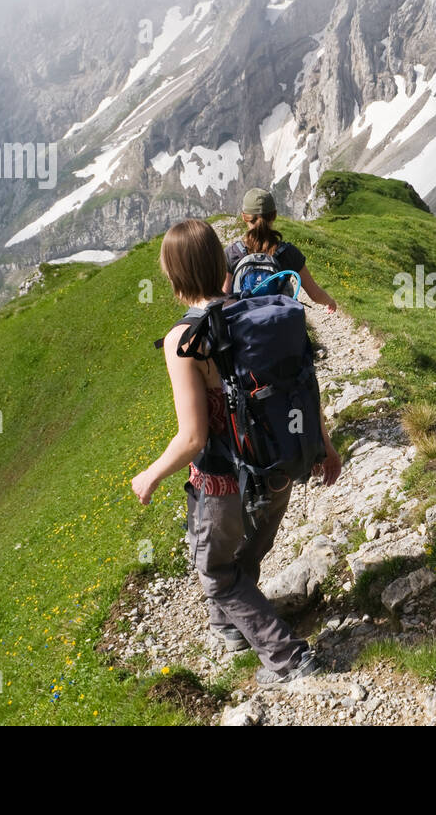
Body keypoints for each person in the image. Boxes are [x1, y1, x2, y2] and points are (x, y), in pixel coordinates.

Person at [131, 217, 343, 685]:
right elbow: (302, 387)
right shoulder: (260, 314)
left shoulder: (184, 339)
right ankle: (233, 632)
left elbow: (193, 439)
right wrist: (326, 447)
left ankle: (290, 660)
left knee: (216, 571)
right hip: (281, 468)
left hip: (225, 482)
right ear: (218, 259)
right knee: (245, 557)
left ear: (172, 274)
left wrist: (150, 475)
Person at [224, 187, 337, 312]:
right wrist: (330, 301)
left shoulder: (232, 253)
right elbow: (314, 294)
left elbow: (223, 298)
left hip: (244, 329)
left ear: (244, 217)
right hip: (279, 327)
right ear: (274, 215)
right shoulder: (289, 253)